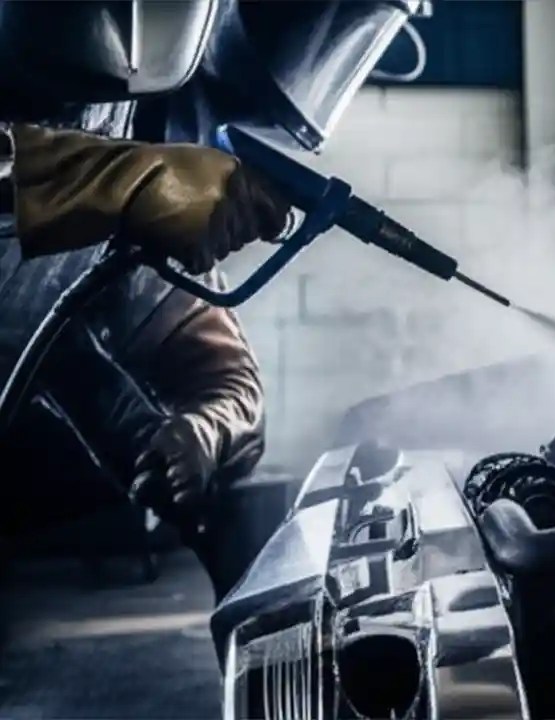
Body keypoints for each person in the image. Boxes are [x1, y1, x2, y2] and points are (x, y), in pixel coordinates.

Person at [0, 0, 423, 600]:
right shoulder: (124, 163)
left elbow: (222, 377)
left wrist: (200, 430)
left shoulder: (139, 120)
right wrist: (114, 180)